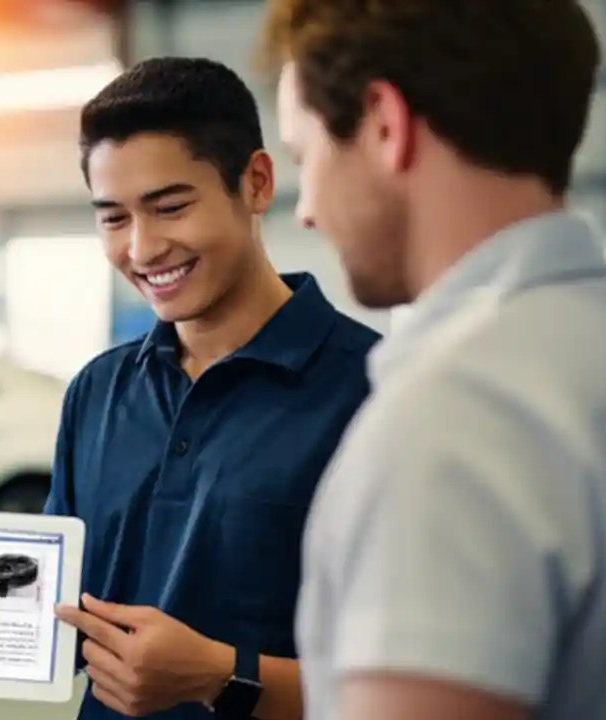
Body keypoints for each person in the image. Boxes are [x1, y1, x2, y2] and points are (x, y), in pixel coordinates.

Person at [262, 2, 606, 719]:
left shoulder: (451, 423)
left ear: (384, 125)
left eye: (306, 157)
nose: (305, 209)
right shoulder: (605, 347)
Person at [47, 57, 380, 720]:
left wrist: (221, 677)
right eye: (113, 219)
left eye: (170, 208)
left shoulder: (375, 392)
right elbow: (56, 613)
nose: (142, 249)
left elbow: (418, 688)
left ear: (256, 183)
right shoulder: (96, 393)